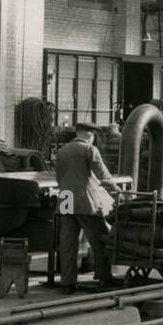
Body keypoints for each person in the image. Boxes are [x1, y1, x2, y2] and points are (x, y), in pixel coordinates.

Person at [53, 122, 118, 292]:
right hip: (85, 200)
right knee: (100, 238)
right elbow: (103, 176)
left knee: (67, 242)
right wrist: (118, 195)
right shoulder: (90, 150)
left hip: (66, 198)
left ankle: (67, 283)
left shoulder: (62, 150)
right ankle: (104, 277)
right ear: (90, 135)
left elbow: (59, 178)